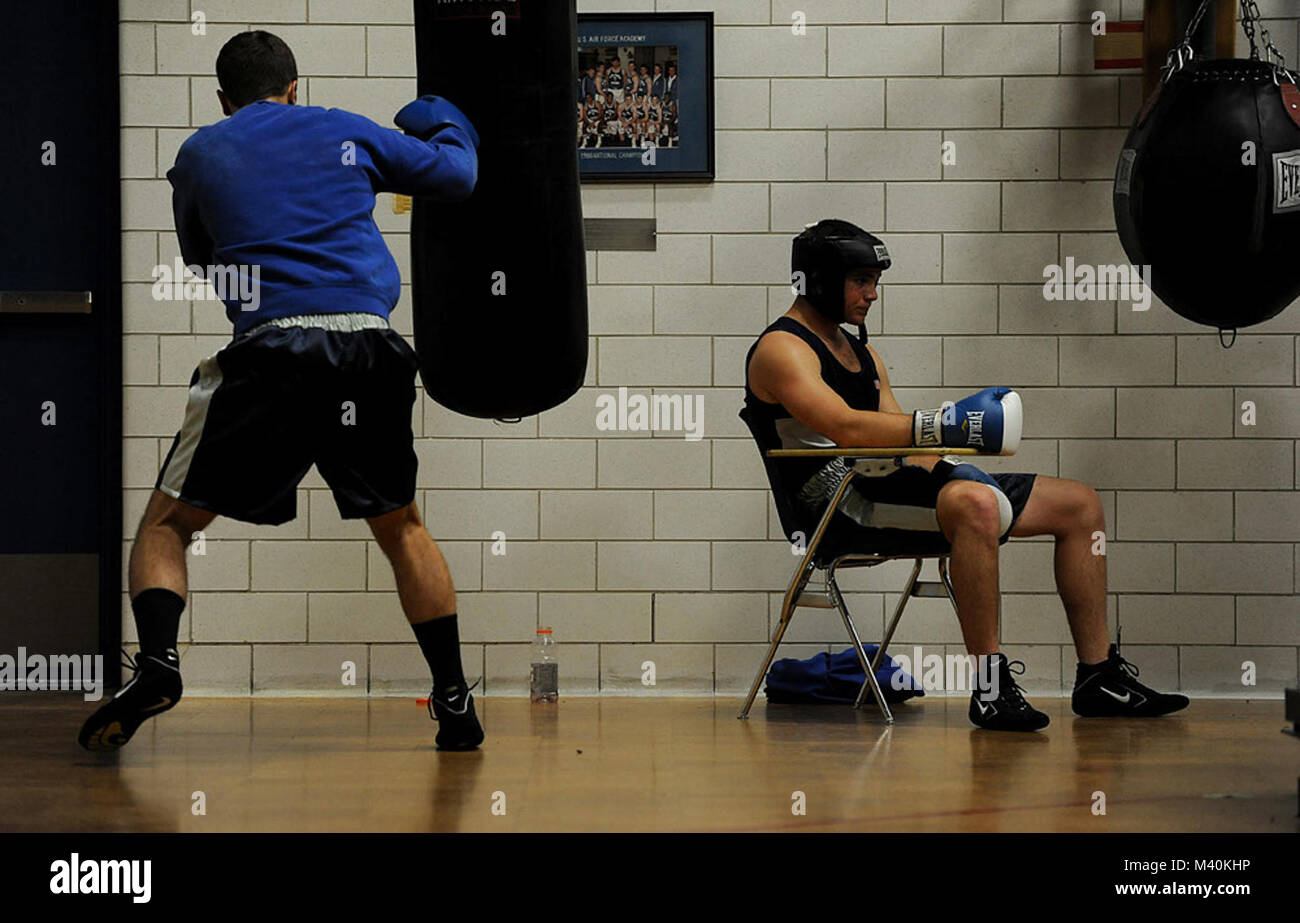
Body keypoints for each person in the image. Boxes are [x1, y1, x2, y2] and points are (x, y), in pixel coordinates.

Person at [78, 31, 485, 752]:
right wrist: (437, 113)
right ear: (295, 87)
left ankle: (160, 662)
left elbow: (205, 261)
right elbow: (459, 176)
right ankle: (453, 701)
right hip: (368, 349)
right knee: (403, 529)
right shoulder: (345, 129)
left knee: (168, 526)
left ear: (223, 100)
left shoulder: (202, 151)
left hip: (272, 352)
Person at [741, 219, 1189, 731]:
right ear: (820, 280)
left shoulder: (862, 353)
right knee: (974, 506)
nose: (872, 295)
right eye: (861, 280)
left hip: (882, 482)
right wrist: (944, 426)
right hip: (837, 505)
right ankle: (991, 691)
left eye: (874, 282)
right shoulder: (782, 349)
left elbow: (898, 438)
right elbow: (845, 428)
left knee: (1078, 504)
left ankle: (1099, 676)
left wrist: (954, 461)